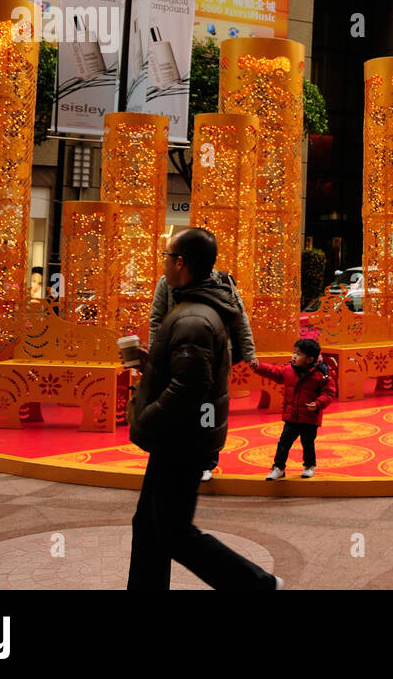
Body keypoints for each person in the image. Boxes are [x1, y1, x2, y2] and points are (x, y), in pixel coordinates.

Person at [127, 227, 280, 590]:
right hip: (181, 436)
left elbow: (190, 386)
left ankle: (258, 584)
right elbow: (188, 368)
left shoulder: (195, 316)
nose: (163, 262)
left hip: (180, 438)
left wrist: (146, 419)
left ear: (180, 262)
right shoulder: (194, 303)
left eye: (167, 256)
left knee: (174, 532)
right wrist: (155, 360)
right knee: (149, 526)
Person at [150, 266, 257, 483]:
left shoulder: (222, 281)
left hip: (215, 357)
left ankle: (207, 462)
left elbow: (240, 319)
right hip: (178, 355)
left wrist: (249, 351)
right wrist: (155, 355)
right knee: (180, 409)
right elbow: (156, 321)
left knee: (209, 410)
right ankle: (182, 457)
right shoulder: (168, 281)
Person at [250, 339, 332, 480]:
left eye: (298, 354)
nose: (293, 356)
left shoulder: (321, 374)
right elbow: (274, 372)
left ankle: (309, 465)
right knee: (284, 443)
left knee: (308, 444)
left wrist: (318, 404)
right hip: (291, 417)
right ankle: (278, 468)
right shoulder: (288, 370)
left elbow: (329, 393)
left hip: (309, 418)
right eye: (294, 352)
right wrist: (258, 367)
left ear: (309, 359)